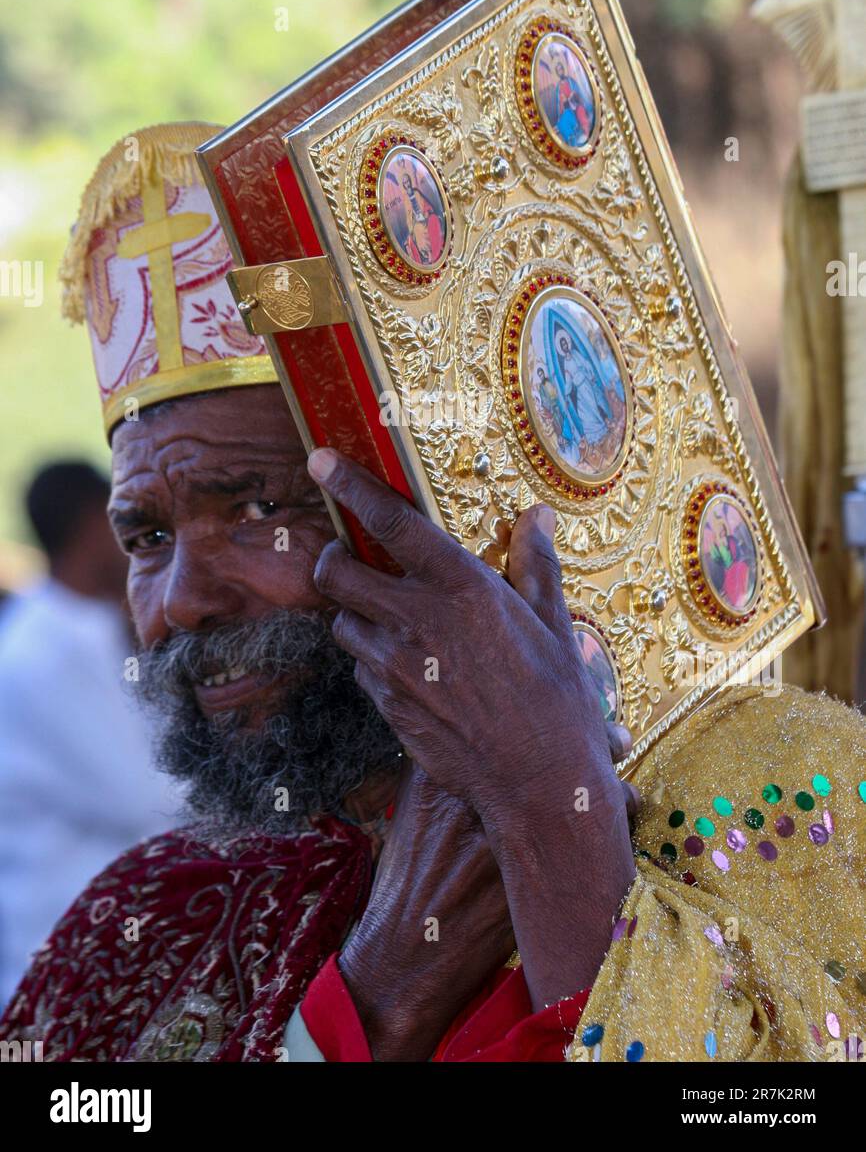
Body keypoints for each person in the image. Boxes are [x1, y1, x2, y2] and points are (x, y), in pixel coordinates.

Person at [1, 120, 864, 1063]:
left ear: (438, 494)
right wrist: (376, 1001)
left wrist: (550, 821)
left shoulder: (775, 785)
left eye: (257, 507)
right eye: (149, 537)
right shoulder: (150, 919)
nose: (184, 600)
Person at [0, 461, 180, 1006]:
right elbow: (145, 798)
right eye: (123, 521)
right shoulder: (41, 653)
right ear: (88, 523)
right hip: (72, 975)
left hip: (122, 958)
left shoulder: (90, 627)